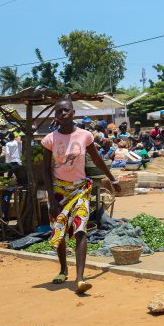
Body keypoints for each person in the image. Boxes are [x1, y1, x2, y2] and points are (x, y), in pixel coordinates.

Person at [42, 97, 120, 294]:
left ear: (73, 112)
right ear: (56, 116)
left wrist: (113, 179)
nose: (63, 114)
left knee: (80, 229)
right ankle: (62, 269)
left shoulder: (85, 135)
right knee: (58, 229)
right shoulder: (50, 140)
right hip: (58, 191)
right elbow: (44, 170)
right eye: (59, 111)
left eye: (66, 110)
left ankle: (80, 278)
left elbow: (97, 159)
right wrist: (50, 197)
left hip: (80, 190)